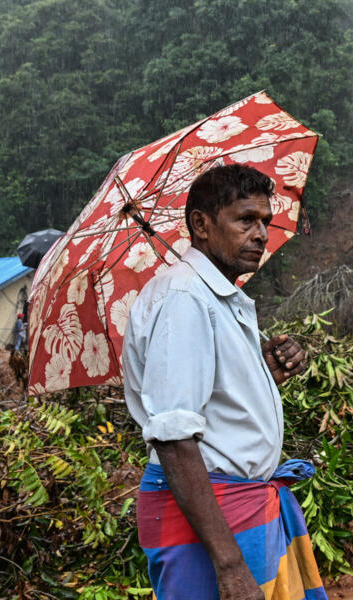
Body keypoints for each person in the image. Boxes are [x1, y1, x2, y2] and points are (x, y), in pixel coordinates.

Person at [121, 164, 328, 600]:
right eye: (245, 219)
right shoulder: (183, 299)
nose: (260, 234)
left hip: (242, 507)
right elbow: (175, 438)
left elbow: (214, 401)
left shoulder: (216, 297)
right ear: (201, 224)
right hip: (212, 518)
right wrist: (230, 565)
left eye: (264, 222)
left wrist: (263, 375)